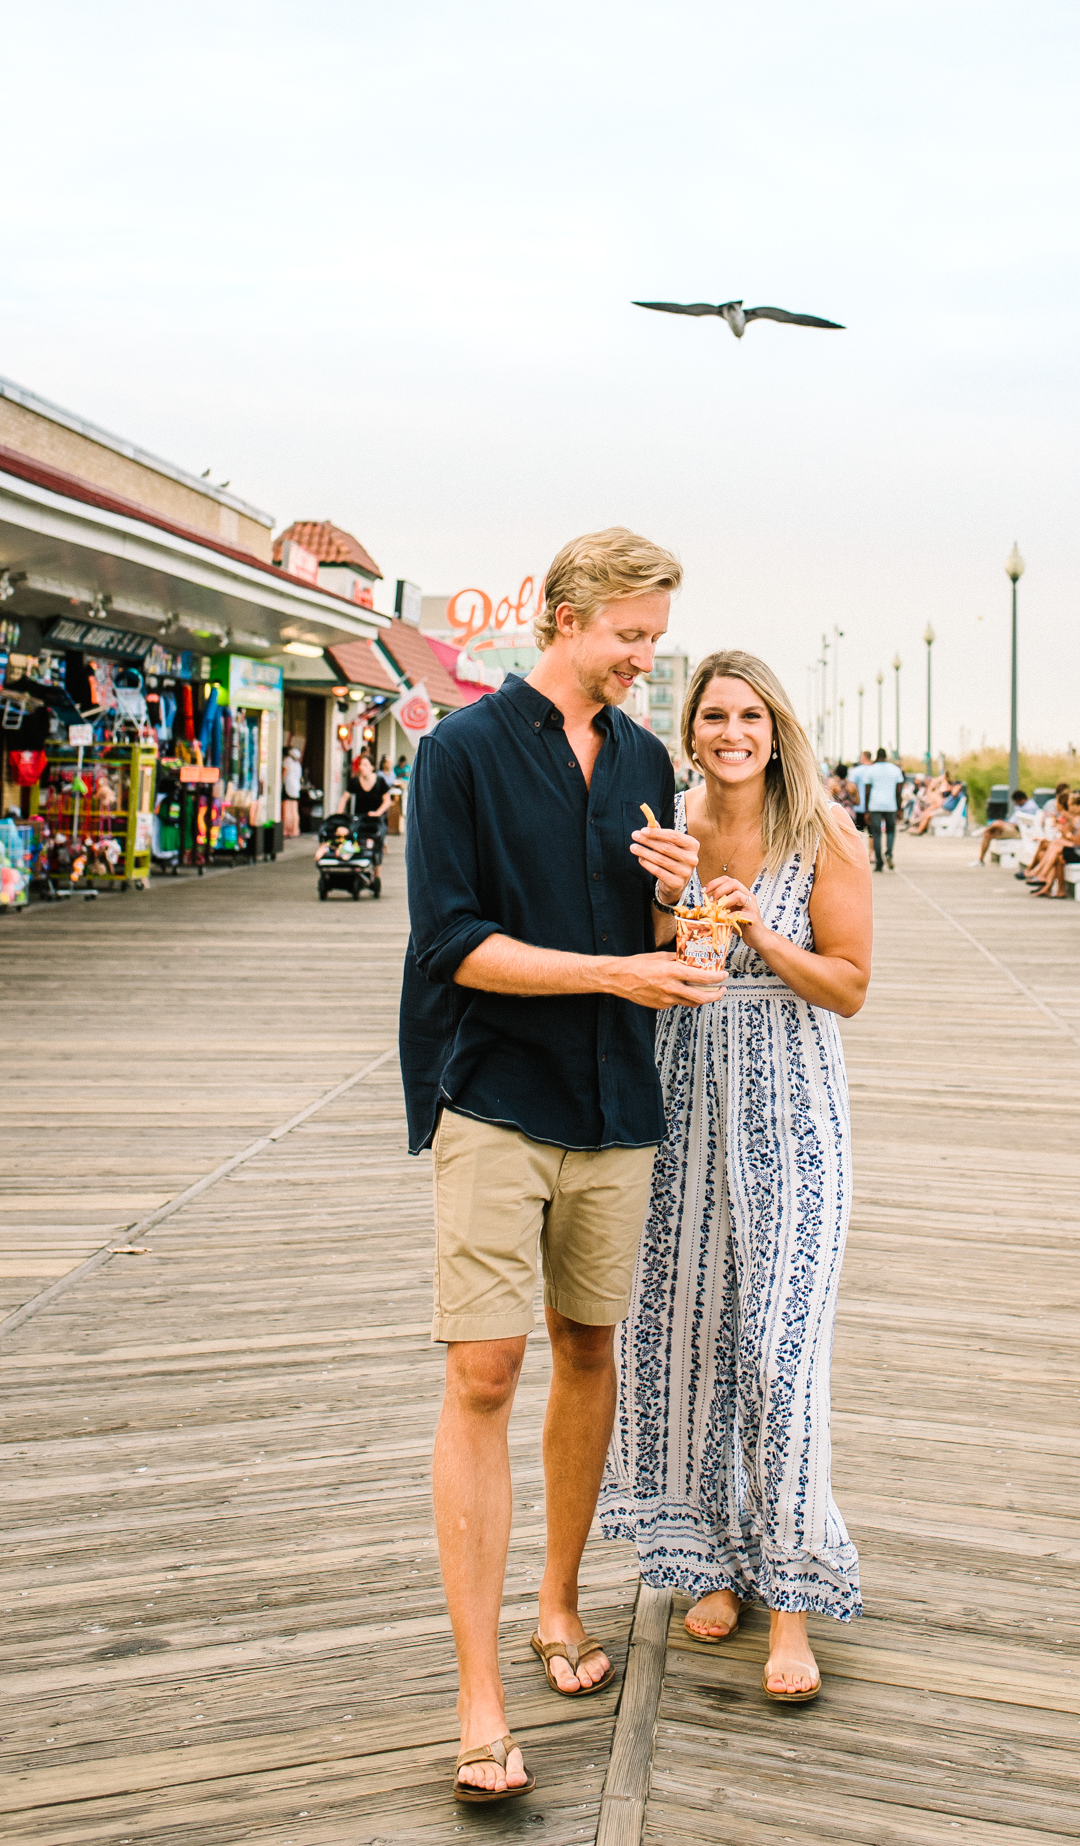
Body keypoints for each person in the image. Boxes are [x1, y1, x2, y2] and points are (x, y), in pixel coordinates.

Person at [400, 529, 724, 1805]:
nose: (647, 659)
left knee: (589, 1348)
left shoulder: (647, 760)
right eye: (629, 636)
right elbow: (455, 946)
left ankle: (557, 1599)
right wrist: (618, 971)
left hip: (617, 1102)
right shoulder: (462, 751)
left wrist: (677, 904)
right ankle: (480, 1698)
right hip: (495, 1094)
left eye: (655, 637)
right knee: (485, 1371)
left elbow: (653, 938)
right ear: (566, 617)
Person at [600, 649, 872, 1702]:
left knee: (781, 1347)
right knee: (686, 1336)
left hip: (795, 1114)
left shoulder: (825, 831)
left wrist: (762, 927)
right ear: (691, 727)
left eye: (748, 714)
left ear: (776, 725)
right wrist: (671, 906)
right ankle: (706, 1555)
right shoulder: (666, 825)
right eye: (713, 714)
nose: (730, 731)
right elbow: (653, 961)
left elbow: (847, 986)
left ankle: (791, 1595)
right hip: (682, 1105)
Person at [1030, 790, 1080, 898]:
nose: (1069, 808)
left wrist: (1066, 834)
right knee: (1057, 849)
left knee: (1057, 849)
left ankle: (1041, 875)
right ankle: (1054, 887)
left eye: (1071, 805)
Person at [862, 746, 904, 871]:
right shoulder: (895, 769)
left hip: (874, 806)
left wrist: (866, 811)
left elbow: (867, 792)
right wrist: (899, 809)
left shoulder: (871, 770)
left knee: (876, 834)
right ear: (886, 756)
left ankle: (879, 861)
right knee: (891, 831)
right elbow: (898, 792)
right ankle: (889, 854)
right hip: (891, 805)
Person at [974, 787, 1037, 866]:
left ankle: (984, 832)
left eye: (1016, 802)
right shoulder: (1021, 805)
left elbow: (1019, 824)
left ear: (1022, 800)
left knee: (992, 830)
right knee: (994, 825)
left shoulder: (1029, 807)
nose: (1015, 804)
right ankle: (980, 859)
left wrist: (1005, 824)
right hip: (1012, 827)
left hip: (1018, 831)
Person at [281, 744, 303, 838]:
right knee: (294, 810)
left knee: (286, 809)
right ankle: (295, 830)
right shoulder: (297, 763)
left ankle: (286, 830)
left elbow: (284, 774)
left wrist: (279, 782)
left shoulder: (287, 761)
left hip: (288, 787)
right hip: (296, 788)